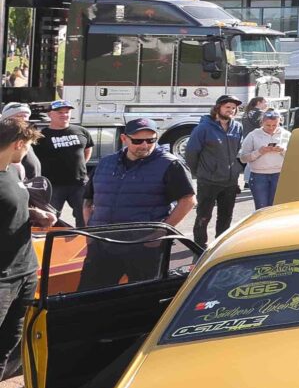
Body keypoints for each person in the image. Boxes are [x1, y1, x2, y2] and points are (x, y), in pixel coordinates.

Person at [79, 119, 195, 289]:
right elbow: (88, 200)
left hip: (144, 246)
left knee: (143, 299)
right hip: (102, 245)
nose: (145, 145)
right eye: (138, 141)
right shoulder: (106, 163)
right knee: (89, 297)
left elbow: (188, 201)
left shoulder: (170, 164)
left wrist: (159, 233)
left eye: (151, 140)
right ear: (124, 139)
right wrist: (91, 232)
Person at [0, 116, 57, 388]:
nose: (27, 152)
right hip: (2, 279)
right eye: (28, 146)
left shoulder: (11, 170)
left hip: (24, 271)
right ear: (18, 144)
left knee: (7, 344)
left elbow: (12, 205)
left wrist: (35, 214)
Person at [182, 95, 243, 247]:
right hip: (208, 181)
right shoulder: (203, 128)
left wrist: (236, 169)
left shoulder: (238, 127)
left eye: (233, 108)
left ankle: (220, 246)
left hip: (230, 181)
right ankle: (199, 246)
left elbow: (239, 152)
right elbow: (191, 153)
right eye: (227, 107)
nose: (230, 110)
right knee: (204, 216)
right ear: (218, 108)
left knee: (226, 216)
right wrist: (200, 172)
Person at [30, 100, 91, 227]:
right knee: (48, 220)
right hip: (53, 186)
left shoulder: (81, 131)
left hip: (79, 184)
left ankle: (84, 243)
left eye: (67, 112)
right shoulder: (41, 136)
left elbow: (87, 149)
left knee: (84, 218)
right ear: (50, 114)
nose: (64, 115)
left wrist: (81, 165)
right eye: (60, 112)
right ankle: (49, 244)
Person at [238, 108, 290, 209]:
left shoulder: (287, 135)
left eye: (275, 125)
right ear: (262, 123)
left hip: (279, 174)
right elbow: (243, 158)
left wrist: (282, 150)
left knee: (276, 207)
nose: (271, 128)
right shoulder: (253, 135)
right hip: (259, 175)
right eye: (268, 125)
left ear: (279, 122)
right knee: (261, 208)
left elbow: (294, 157)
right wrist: (259, 152)